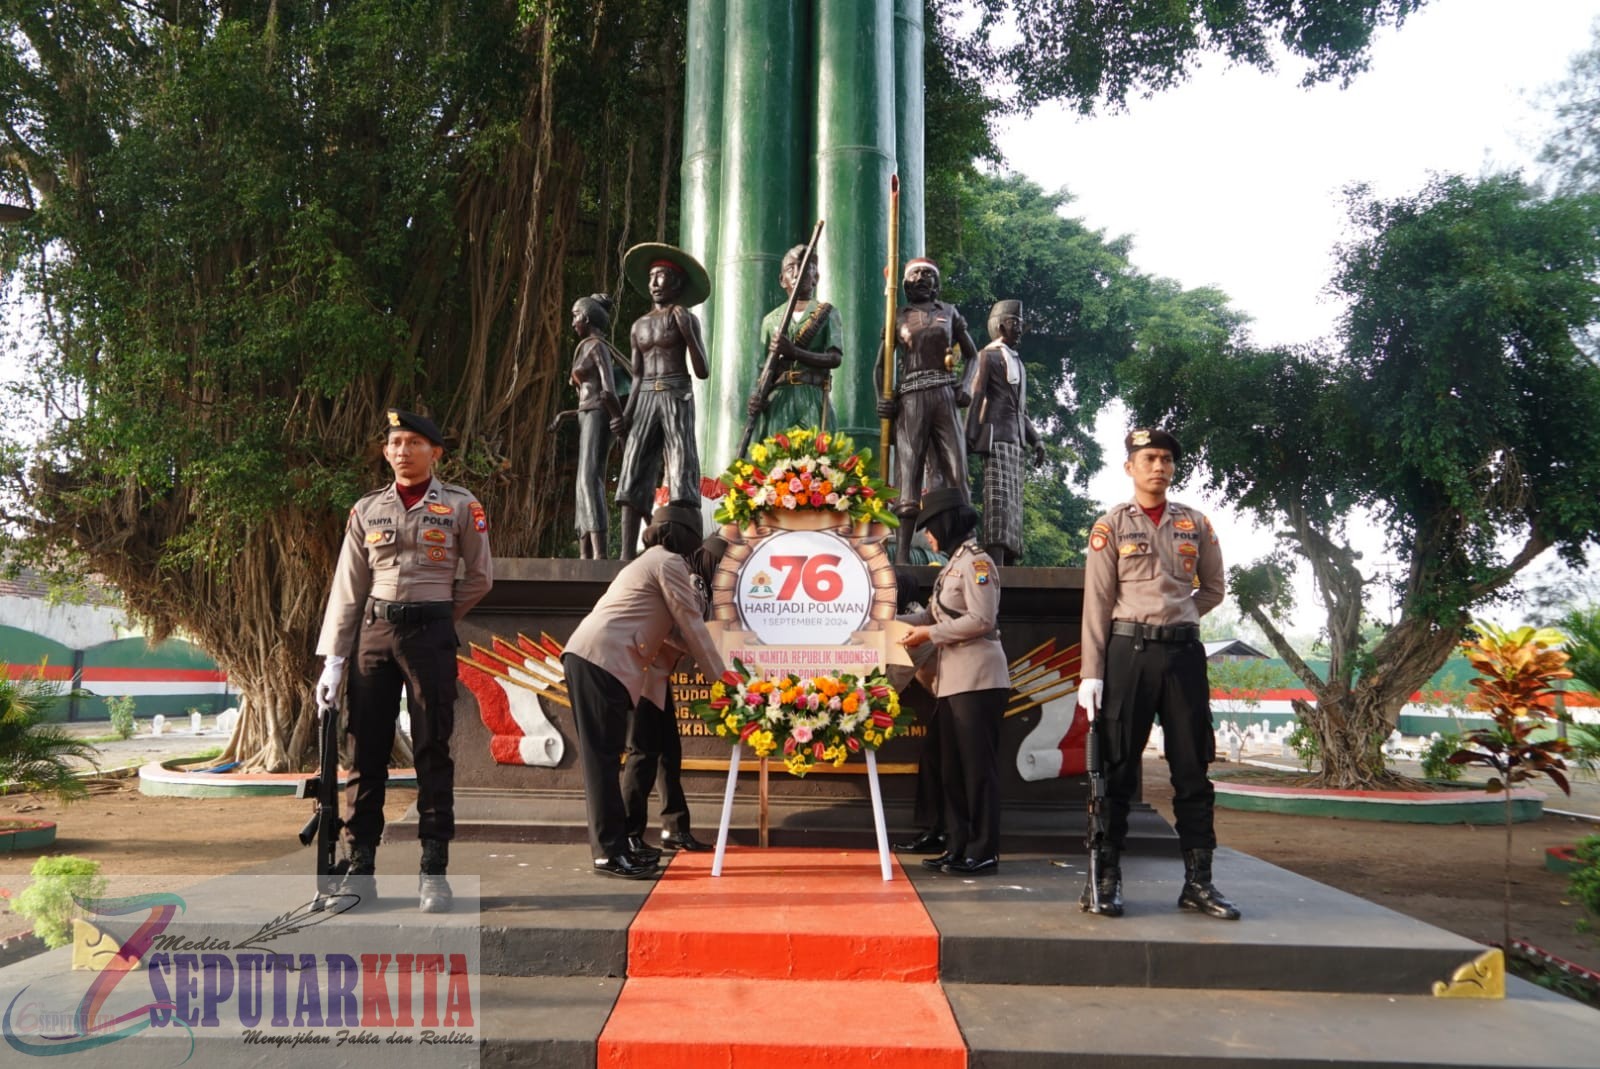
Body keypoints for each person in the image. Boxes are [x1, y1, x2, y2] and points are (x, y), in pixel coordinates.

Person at [315, 408, 494, 913]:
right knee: (364, 749)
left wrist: (438, 616)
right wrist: (333, 660)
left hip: (430, 634)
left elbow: (480, 577)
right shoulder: (366, 510)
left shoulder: (462, 506)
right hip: (373, 633)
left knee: (432, 748)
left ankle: (433, 872)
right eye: (394, 442)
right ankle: (360, 867)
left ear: (435, 452)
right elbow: (347, 588)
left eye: (413, 442)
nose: (401, 451)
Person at [1077, 428, 1238, 920]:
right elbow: (1097, 603)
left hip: (1184, 655)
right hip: (1130, 652)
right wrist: (1092, 672)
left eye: (1167, 459)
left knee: (1192, 769)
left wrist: (1178, 610)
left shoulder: (1197, 524)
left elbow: (1213, 587)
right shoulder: (1110, 527)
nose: (1159, 467)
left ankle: (1199, 882)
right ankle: (1104, 880)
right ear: (1130, 466)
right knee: (1118, 770)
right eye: (1149, 458)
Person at [563, 504, 727, 878]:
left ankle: (621, 846)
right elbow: (690, 626)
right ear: (684, 536)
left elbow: (671, 633)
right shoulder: (668, 562)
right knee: (601, 762)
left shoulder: (651, 560)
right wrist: (724, 682)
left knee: (607, 758)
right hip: (600, 660)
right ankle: (608, 853)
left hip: (600, 660)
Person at [899, 487, 1010, 876]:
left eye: (929, 528)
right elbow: (932, 617)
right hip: (953, 681)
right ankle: (958, 844)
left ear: (945, 524)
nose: (927, 536)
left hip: (979, 679)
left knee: (977, 770)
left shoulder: (977, 563)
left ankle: (984, 850)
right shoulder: (952, 565)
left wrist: (928, 636)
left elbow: (982, 620)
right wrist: (886, 626)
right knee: (951, 768)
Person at [619, 535, 727, 855]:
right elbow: (680, 631)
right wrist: (709, 658)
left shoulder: (699, 583)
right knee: (642, 754)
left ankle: (675, 828)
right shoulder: (690, 579)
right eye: (721, 565)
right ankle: (629, 833)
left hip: (656, 676)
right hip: (642, 673)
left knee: (669, 752)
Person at [874, 258, 979, 565]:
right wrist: (882, 397)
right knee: (909, 472)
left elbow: (972, 356)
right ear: (905, 284)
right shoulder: (898, 316)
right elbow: (881, 365)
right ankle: (903, 555)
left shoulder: (949, 313)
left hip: (944, 394)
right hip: (911, 398)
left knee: (957, 470)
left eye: (927, 274)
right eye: (915, 274)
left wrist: (967, 386)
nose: (921, 278)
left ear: (936, 283)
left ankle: (967, 546)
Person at [615, 243, 712, 561]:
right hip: (644, 397)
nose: (655, 283)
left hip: (675, 390)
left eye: (662, 276)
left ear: (677, 284)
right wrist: (626, 416)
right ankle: (626, 554)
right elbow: (637, 375)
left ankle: (683, 547)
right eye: (652, 277)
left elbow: (702, 370)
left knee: (681, 462)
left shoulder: (682, 316)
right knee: (633, 465)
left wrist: (689, 334)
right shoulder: (639, 325)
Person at [966, 300, 1044, 565]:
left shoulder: (1018, 363)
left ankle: (1010, 564)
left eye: (1021, 324)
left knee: (1013, 506)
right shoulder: (989, 356)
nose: (1020, 329)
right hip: (996, 437)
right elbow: (977, 397)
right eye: (1015, 323)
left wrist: (1037, 440)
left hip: (1016, 441)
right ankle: (996, 563)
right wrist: (968, 436)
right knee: (998, 503)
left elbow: (1021, 410)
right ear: (1001, 326)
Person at [746, 244, 842, 442]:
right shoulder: (771, 320)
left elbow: (834, 358)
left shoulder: (827, 313)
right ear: (782, 280)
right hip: (780, 398)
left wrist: (795, 352)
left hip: (813, 397)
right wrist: (757, 396)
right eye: (791, 268)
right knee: (774, 459)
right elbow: (764, 369)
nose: (798, 272)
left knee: (819, 458)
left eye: (807, 267)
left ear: (816, 277)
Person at [890, 567, 945, 856]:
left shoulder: (915, 633)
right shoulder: (911, 617)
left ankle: (940, 833)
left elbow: (892, 684)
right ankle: (937, 832)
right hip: (948, 700)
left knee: (940, 765)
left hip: (953, 701)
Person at [569, 293, 627, 559]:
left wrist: (618, 419)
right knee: (582, 481)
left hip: (598, 416)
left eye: (575, 316)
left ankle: (599, 554)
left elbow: (608, 390)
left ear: (587, 317)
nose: (573, 323)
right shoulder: (586, 346)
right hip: (586, 414)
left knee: (590, 479)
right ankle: (584, 552)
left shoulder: (597, 347)